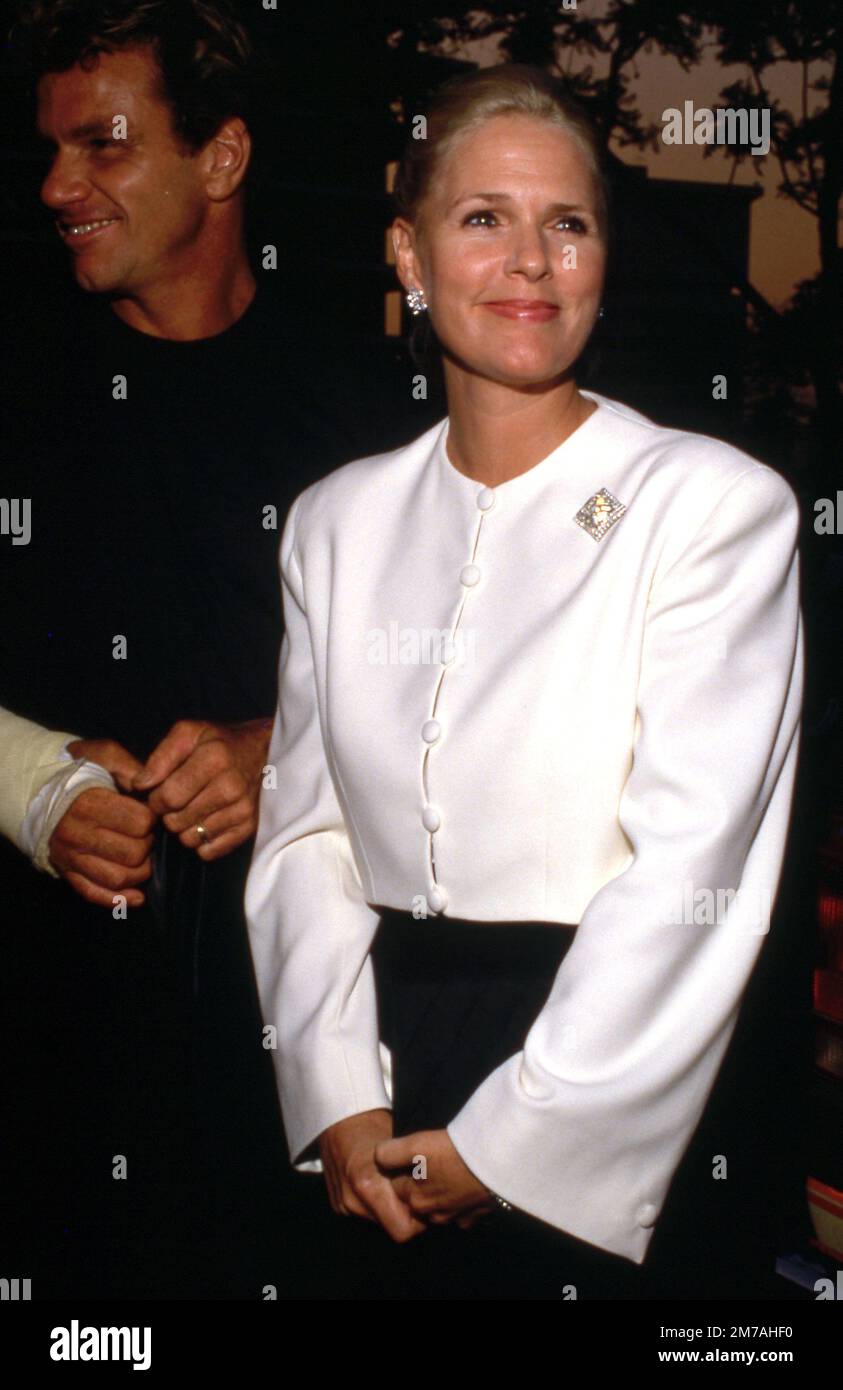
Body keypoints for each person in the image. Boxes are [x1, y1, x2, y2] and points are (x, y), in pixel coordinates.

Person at [245, 64, 805, 1301]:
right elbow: (305, 841)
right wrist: (336, 1095)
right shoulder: (333, 523)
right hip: (386, 1070)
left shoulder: (710, 507)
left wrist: (515, 1140)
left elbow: (694, 866)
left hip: (622, 1072)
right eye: (483, 218)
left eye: (569, 224)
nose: (532, 263)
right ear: (409, 249)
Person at [0, 0, 419, 1297]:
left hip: (302, 1052)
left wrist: (285, 754)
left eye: (103, 145)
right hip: (46, 1047)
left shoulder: (369, 411)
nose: (59, 184)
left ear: (222, 159)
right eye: (51, 150)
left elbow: (472, 687)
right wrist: (32, 790)